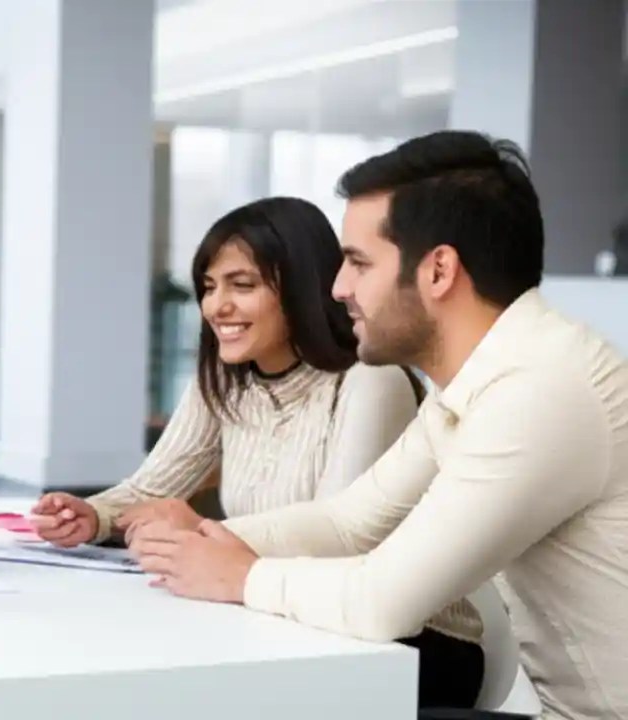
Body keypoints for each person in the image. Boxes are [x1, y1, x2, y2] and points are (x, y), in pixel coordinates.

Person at [130, 130, 628, 720]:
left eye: (359, 263)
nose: (338, 287)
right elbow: (350, 522)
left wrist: (243, 575)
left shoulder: (540, 390)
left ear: (438, 270)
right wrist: (213, 543)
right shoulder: (472, 387)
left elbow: (381, 601)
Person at [31, 197, 484, 708]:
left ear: (301, 286)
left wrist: (203, 534)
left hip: (406, 642)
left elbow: (342, 539)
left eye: (241, 285)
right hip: (284, 614)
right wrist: (93, 515)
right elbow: (152, 489)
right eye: (208, 287)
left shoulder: (368, 383)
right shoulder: (225, 382)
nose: (216, 306)